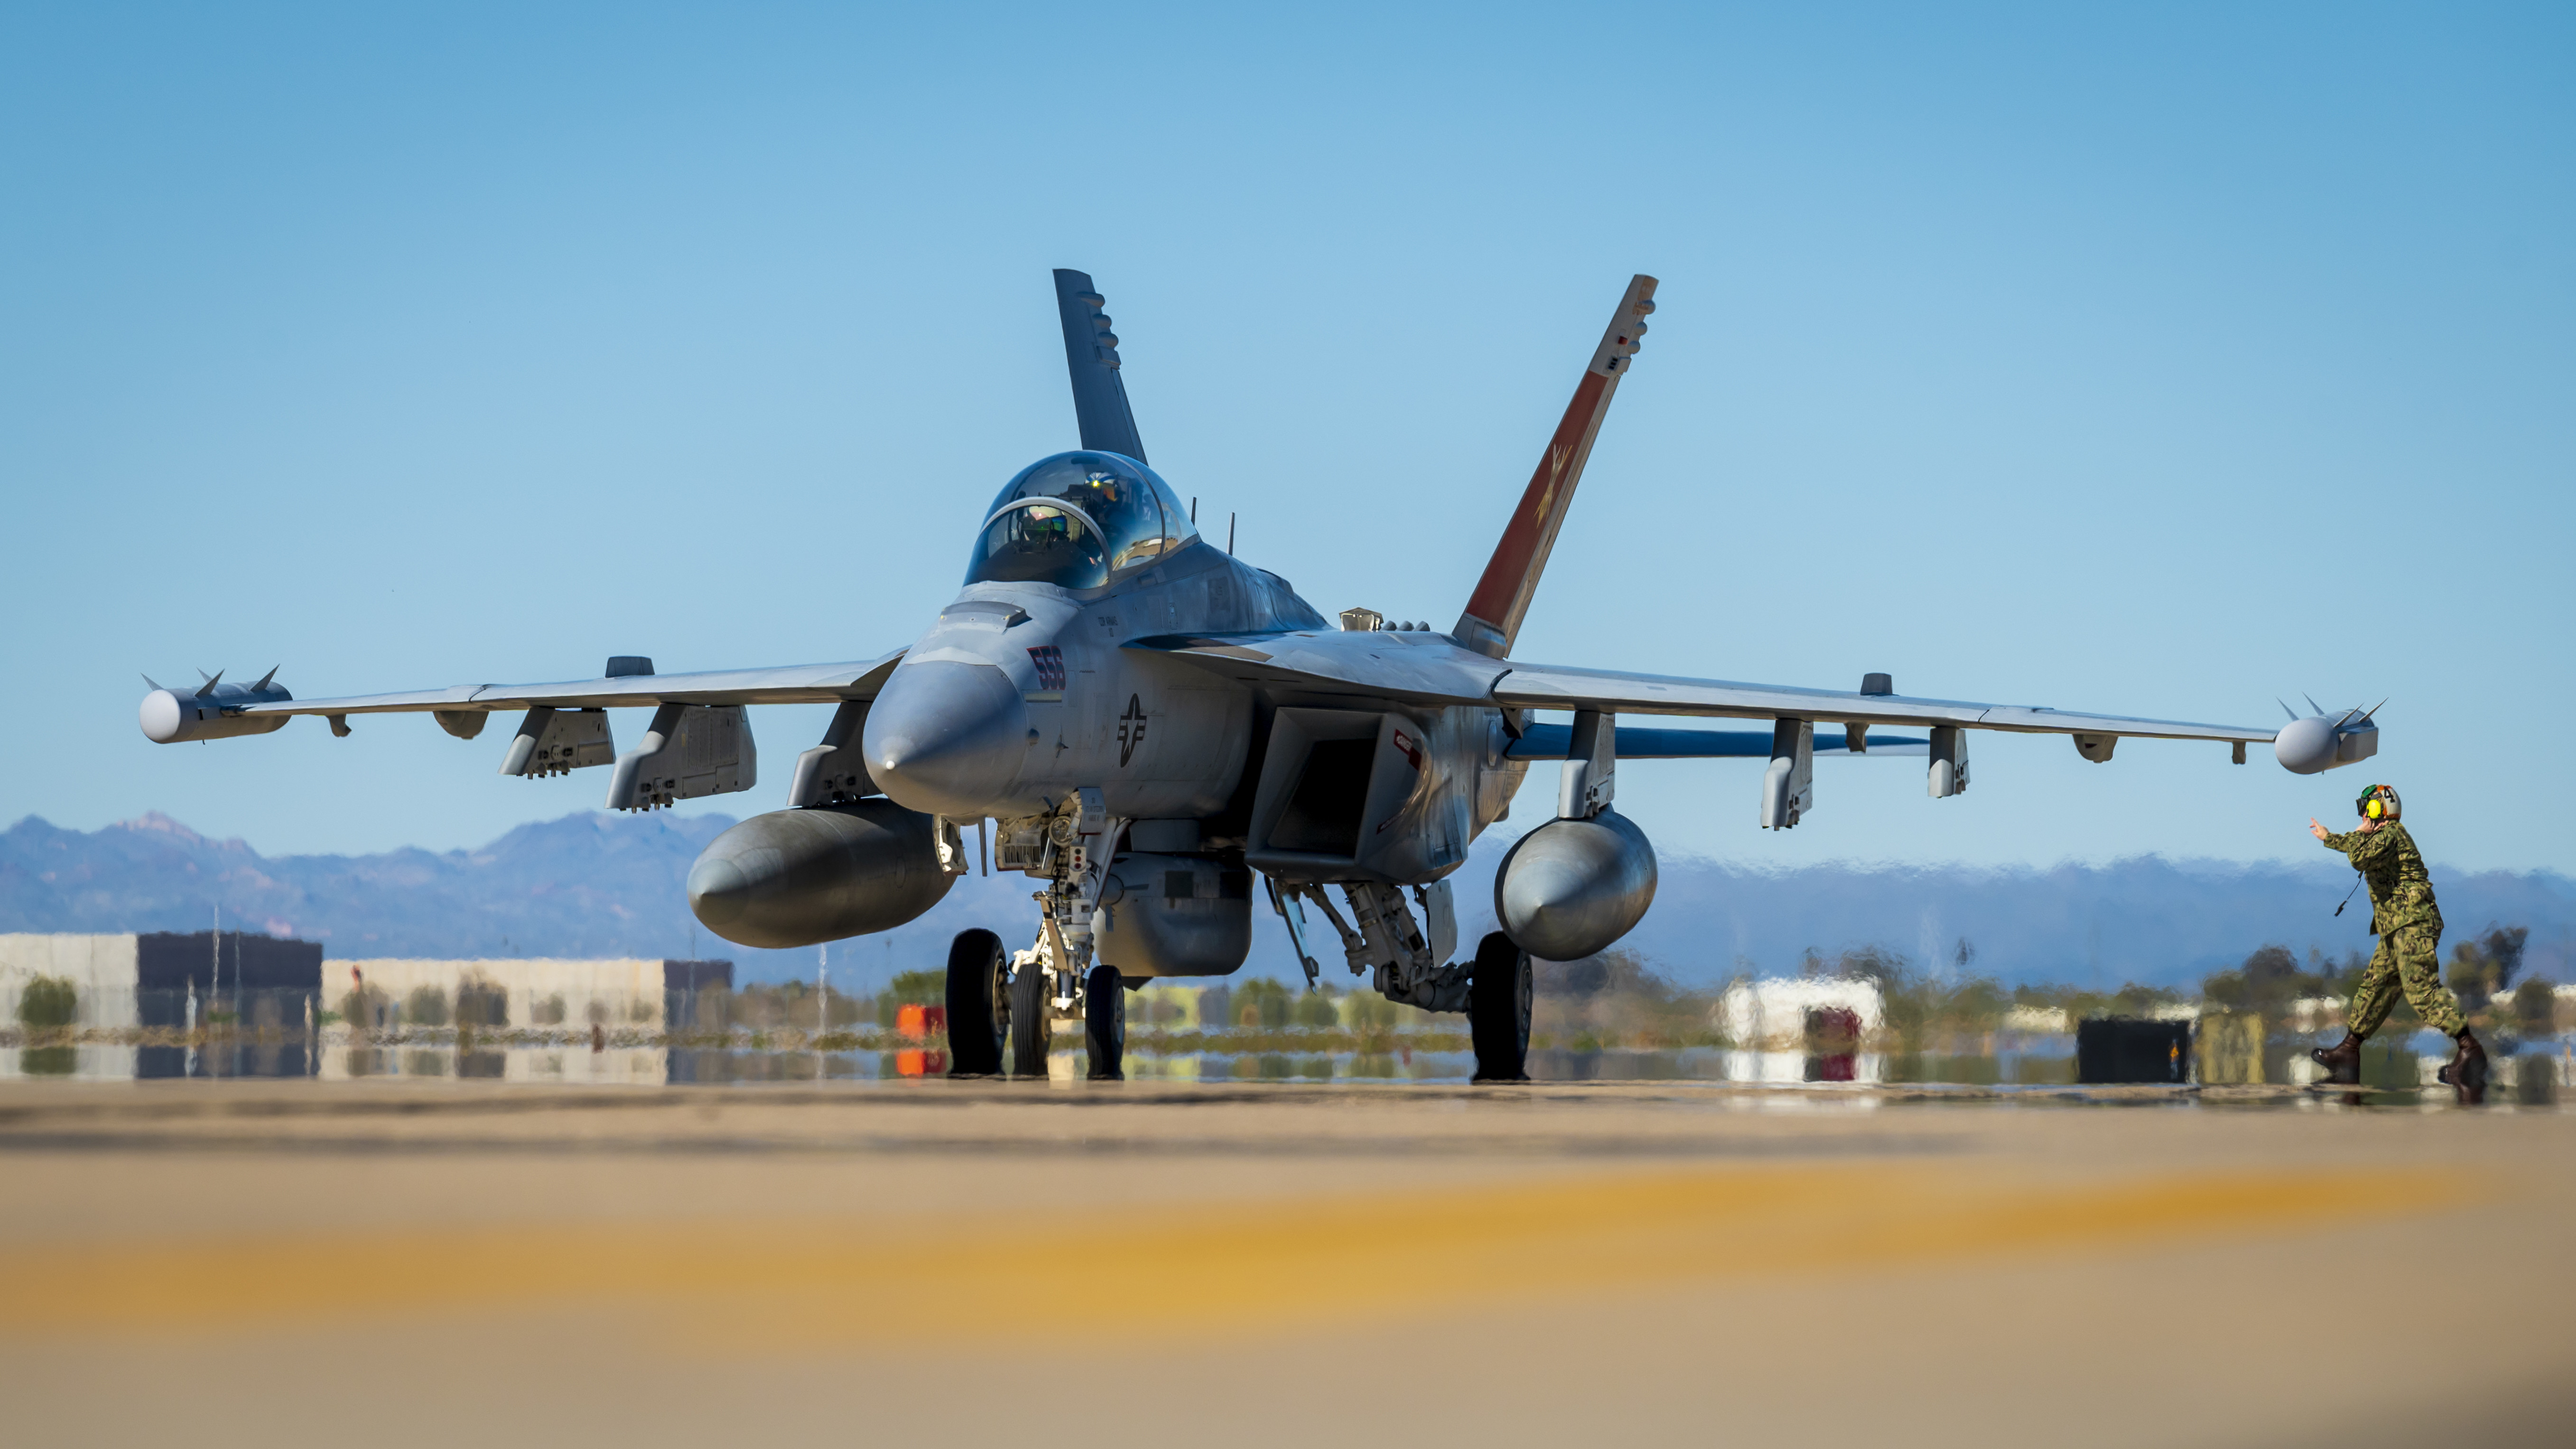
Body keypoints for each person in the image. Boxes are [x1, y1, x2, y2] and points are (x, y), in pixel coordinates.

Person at [2306, 784, 2484, 1093]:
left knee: (2420, 991)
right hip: (2397, 928)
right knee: (2375, 985)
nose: (2363, 814)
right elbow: (2358, 846)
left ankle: (2470, 1049)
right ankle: (2348, 1051)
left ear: (2379, 810)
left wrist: (2350, 834)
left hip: (2413, 924)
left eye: (2367, 808)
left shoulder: (2391, 835)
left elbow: (2359, 857)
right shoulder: (2381, 836)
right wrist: (2329, 837)